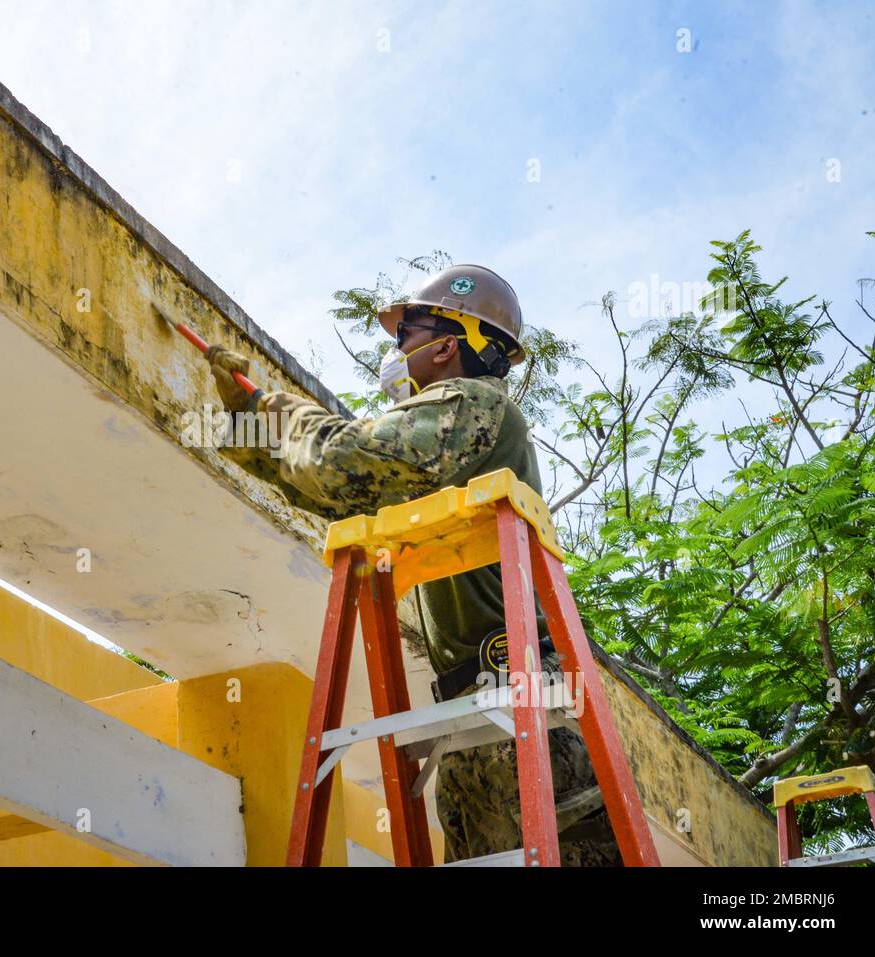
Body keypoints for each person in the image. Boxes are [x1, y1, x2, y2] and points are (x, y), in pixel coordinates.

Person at [206, 263, 621, 866]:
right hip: (477, 703)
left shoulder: (474, 404)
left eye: (405, 335)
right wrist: (252, 423)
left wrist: (274, 410)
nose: (395, 350)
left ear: (447, 346)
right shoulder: (442, 452)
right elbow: (342, 487)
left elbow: (346, 459)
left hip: (526, 698)